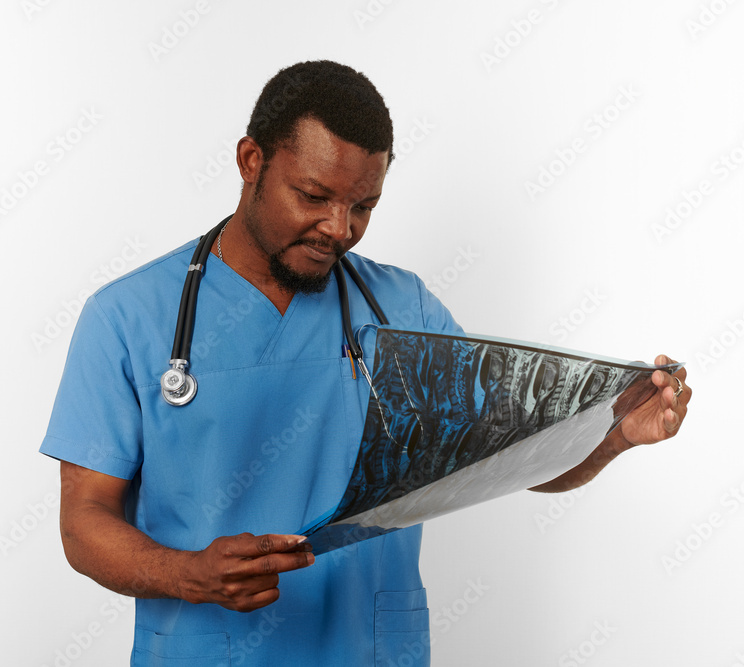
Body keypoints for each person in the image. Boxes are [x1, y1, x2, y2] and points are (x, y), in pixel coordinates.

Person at [40, 60, 691, 666]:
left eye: (363, 206)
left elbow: (510, 462)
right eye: (313, 195)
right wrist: (188, 574)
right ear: (250, 161)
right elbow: (84, 523)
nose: (339, 228)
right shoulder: (128, 317)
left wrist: (614, 438)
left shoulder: (405, 309)